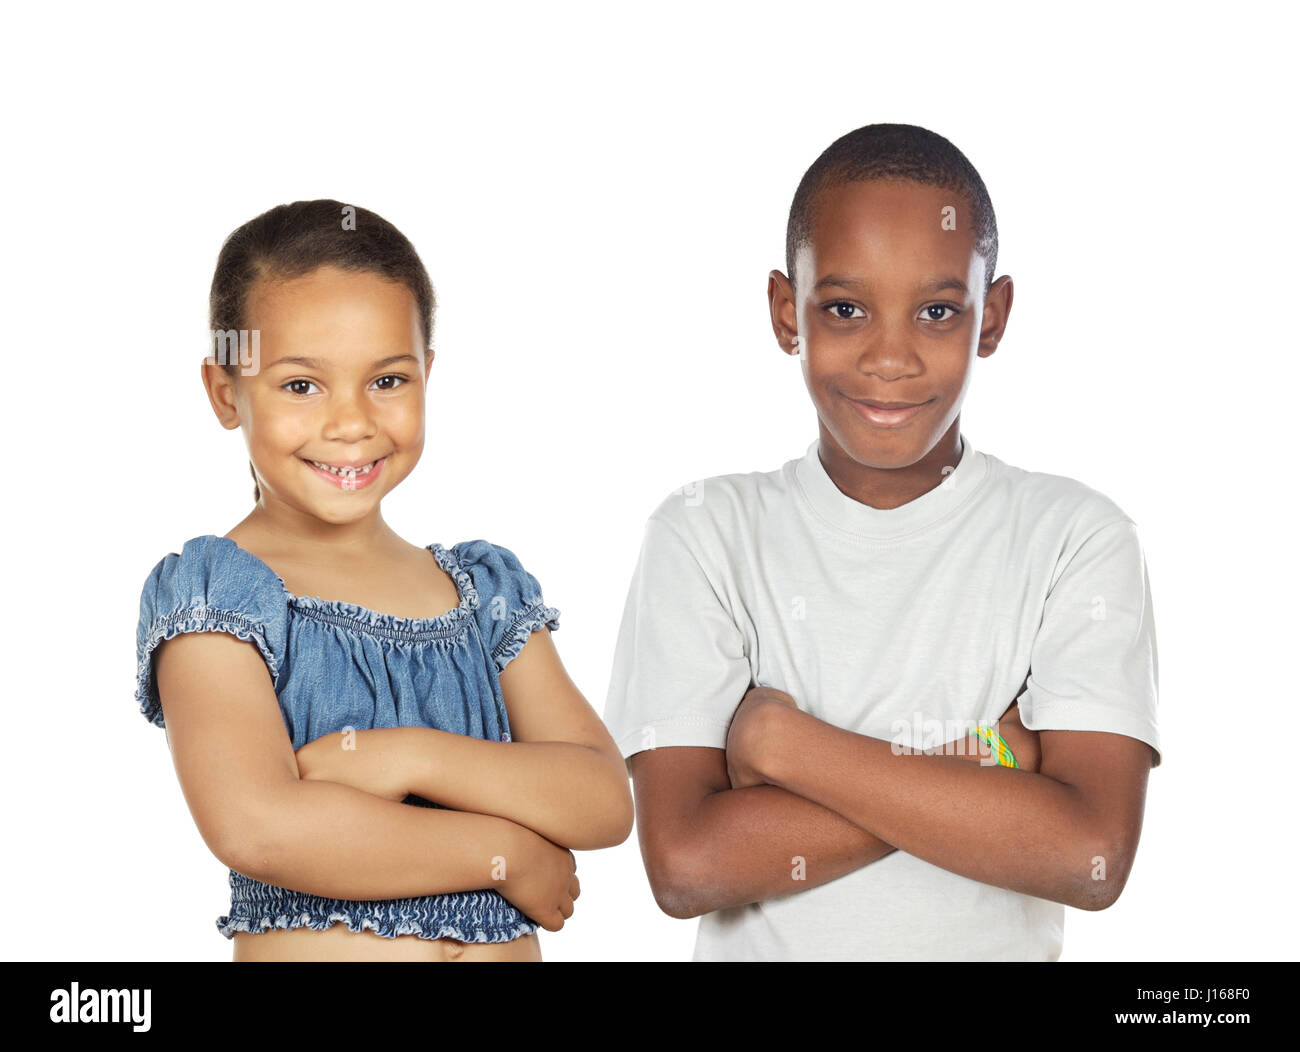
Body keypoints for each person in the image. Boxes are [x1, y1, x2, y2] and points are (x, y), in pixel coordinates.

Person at [602, 123, 1161, 961]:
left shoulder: (1075, 540)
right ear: (787, 314)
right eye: (845, 309)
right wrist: (993, 763)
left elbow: (1088, 857)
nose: (890, 358)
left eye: (938, 311)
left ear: (992, 317)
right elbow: (687, 865)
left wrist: (785, 748)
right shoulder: (704, 533)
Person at [134, 200, 632, 962]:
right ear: (225, 391)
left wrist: (411, 756)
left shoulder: (481, 591)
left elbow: (602, 800)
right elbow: (260, 826)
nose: (352, 422)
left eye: (388, 380)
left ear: (427, 373)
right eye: (302, 386)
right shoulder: (220, 597)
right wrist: (503, 849)